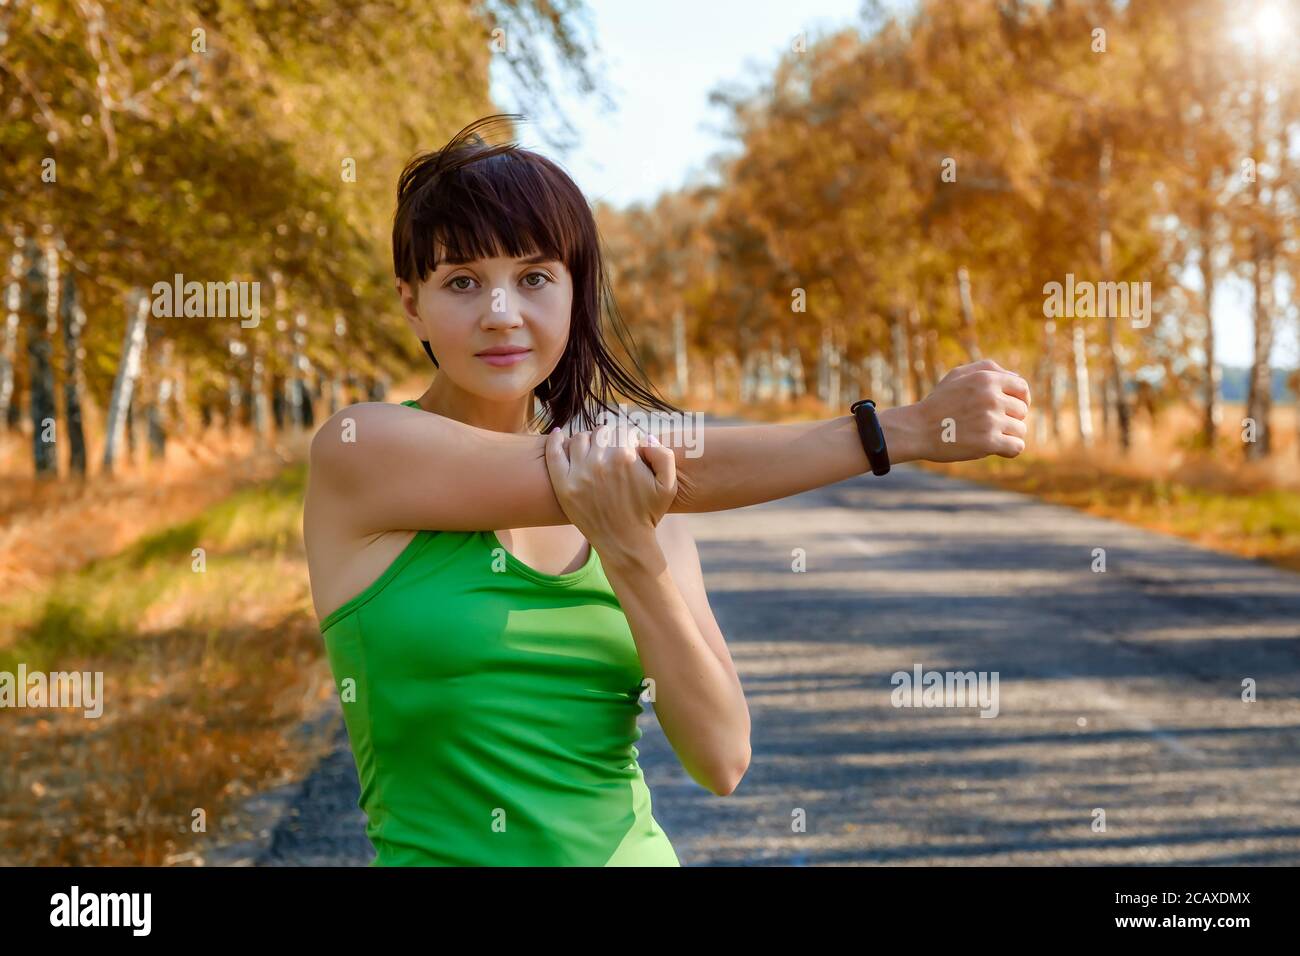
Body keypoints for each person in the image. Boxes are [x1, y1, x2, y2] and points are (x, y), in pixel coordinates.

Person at [302, 114, 1031, 866]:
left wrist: (630, 555)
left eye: (534, 278)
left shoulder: (644, 504)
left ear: (574, 290)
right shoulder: (363, 452)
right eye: (462, 281)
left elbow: (722, 758)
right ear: (410, 302)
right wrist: (905, 430)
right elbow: (665, 467)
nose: (501, 314)